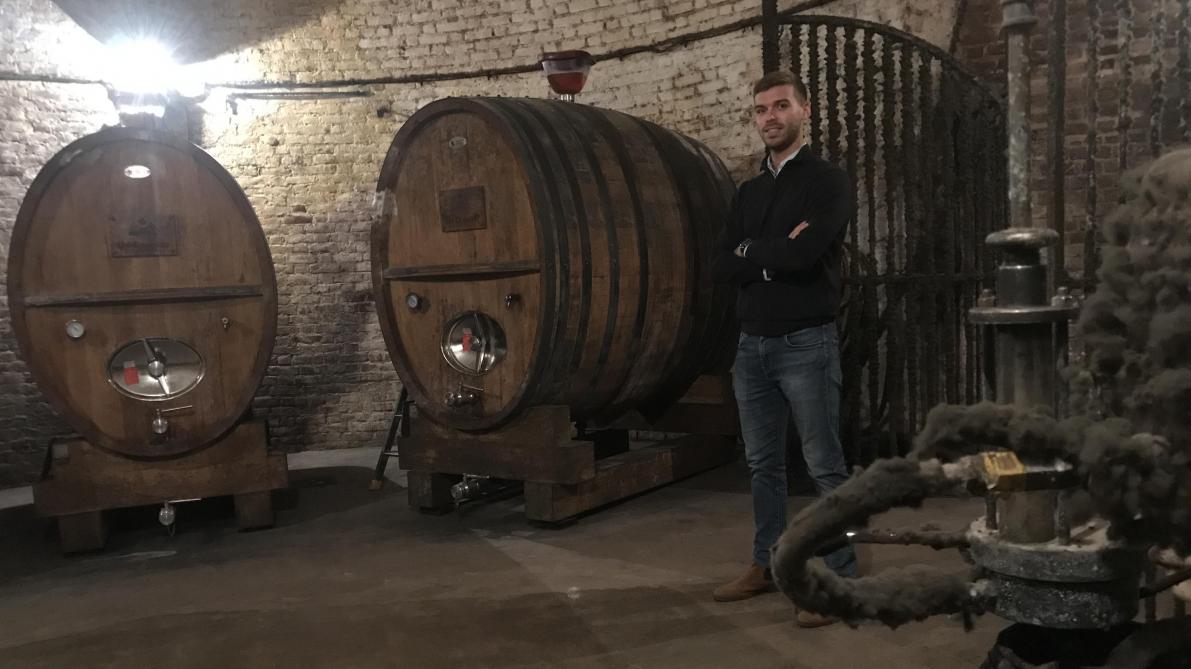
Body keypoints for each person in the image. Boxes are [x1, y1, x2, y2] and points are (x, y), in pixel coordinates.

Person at [710, 70, 857, 628]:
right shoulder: (749, 192)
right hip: (752, 348)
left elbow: (807, 254)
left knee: (824, 465)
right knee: (762, 464)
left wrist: (756, 256)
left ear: (805, 111)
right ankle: (767, 562)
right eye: (760, 110)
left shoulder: (827, 182)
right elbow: (720, 263)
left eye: (780, 107)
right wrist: (770, 252)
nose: (769, 117)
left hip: (805, 343)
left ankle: (838, 574)